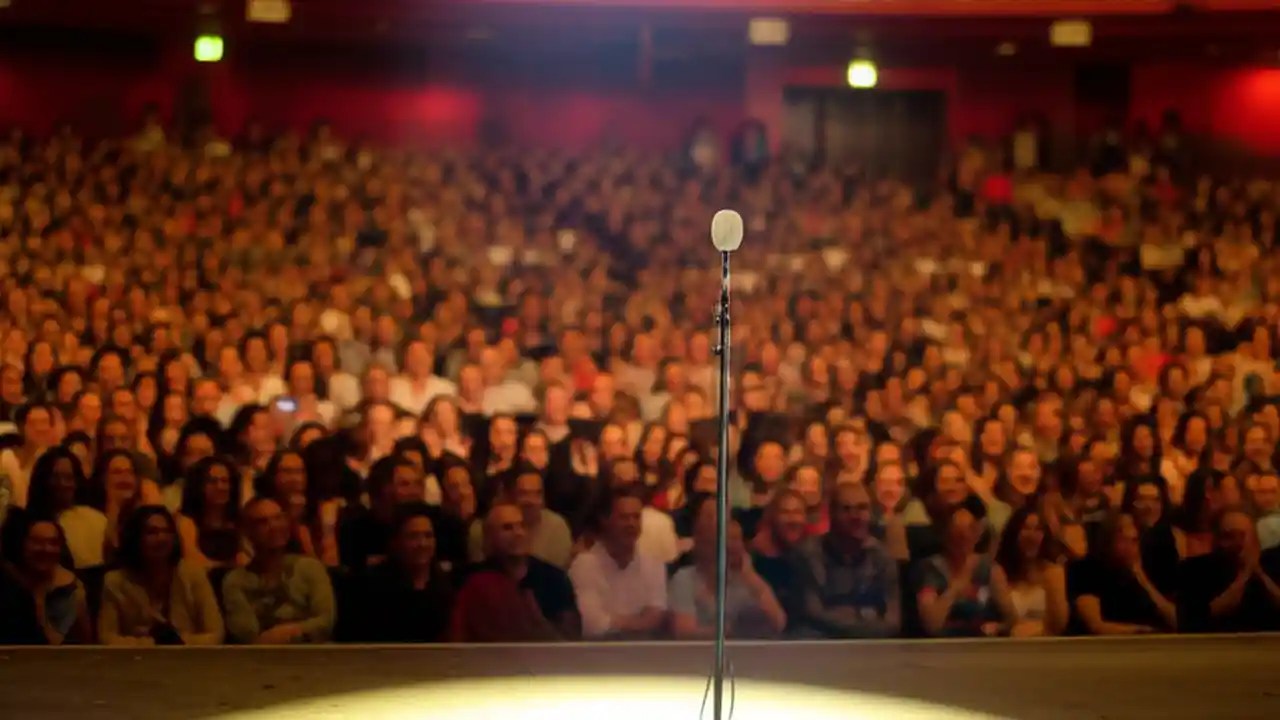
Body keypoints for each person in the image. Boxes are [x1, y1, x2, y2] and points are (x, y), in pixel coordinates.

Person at [452, 503, 578, 642]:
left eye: (522, 526)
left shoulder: (554, 578)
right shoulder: (472, 581)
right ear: (489, 538)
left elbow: (570, 641)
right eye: (507, 528)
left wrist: (538, 622)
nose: (518, 533)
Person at [98, 506, 224, 645]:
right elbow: (107, 638)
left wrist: (178, 641)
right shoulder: (115, 582)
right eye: (152, 532)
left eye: (167, 532)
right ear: (135, 538)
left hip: (188, 662)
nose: (162, 538)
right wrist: (151, 644)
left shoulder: (193, 575)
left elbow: (216, 634)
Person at [222, 497, 336, 644]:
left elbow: (325, 621)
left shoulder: (309, 567)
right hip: (261, 659)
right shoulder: (235, 581)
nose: (274, 526)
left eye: (278, 518)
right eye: (263, 522)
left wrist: (286, 632)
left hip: (313, 657)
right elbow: (247, 634)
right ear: (248, 531)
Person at [793, 483, 900, 638]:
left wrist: (847, 614)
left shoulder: (881, 557)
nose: (855, 516)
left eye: (862, 508)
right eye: (846, 509)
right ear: (831, 514)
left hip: (870, 650)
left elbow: (892, 623)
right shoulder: (808, 554)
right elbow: (813, 615)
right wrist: (868, 615)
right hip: (820, 650)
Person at [340, 502, 453, 643]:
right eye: (413, 537)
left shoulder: (445, 585)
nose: (422, 543)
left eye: (428, 536)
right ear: (396, 542)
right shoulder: (372, 587)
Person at [669, 504, 785, 639]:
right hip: (699, 656)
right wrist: (732, 632)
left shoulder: (748, 580)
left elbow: (778, 623)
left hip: (747, 654)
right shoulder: (684, 579)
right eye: (730, 539)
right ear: (707, 544)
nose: (736, 546)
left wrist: (751, 578)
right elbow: (684, 631)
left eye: (738, 539)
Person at [568, 489, 668, 639]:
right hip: (598, 656)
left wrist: (612, 621)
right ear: (605, 520)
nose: (631, 524)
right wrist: (640, 621)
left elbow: (656, 619)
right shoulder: (584, 565)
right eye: (624, 518)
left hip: (644, 656)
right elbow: (592, 625)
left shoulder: (654, 565)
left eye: (636, 517)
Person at [916, 505, 1017, 637]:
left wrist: (999, 627)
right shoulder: (930, 569)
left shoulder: (989, 569)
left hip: (981, 646)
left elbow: (1012, 618)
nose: (963, 539)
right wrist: (954, 590)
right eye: (957, 534)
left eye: (969, 531)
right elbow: (932, 625)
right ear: (946, 535)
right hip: (943, 648)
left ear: (977, 536)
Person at [1069, 512, 1177, 635]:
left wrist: (1143, 581)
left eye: (1134, 540)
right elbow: (1096, 625)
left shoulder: (1145, 571)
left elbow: (1176, 621)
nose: (1130, 547)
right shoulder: (1086, 570)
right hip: (1108, 648)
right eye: (1122, 539)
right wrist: (1142, 633)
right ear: (1107, 541)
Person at [1178, 509, 1280, 633]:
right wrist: (1245, 574)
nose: (1237, 543)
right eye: (1229, 536)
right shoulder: (1196, 569)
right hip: (1216, 646)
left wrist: (1259, 573)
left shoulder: (1273, 564)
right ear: (1217, 540)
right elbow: (1195, 619)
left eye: (1242, 535)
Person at [0, 509, 92, 644]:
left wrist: (39, 601)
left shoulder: (69, 590)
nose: (46, 549)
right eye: (37, 542)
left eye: (53, 543)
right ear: (22, 545)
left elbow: (52, 644)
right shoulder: (8, 580)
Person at [468, 469, 573, 568]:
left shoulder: (557, 528)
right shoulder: (481, 529)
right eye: (523, 493)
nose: (532, 501)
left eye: (538, 493)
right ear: (507, 496)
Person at [25, 446, 107, 571]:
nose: (62, 483)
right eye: (55, 477)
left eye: (68, 478)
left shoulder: (96, 519)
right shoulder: (26, 525)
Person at [994, 506, 1069, 636]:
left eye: (1038, 530)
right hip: (1013, 646)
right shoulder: (1001, 573)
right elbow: (1008, 621)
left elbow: (1059, 624)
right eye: (1026, 528)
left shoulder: (1053, 572)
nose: (1032, 535)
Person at [177, 456, 243, 569]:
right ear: (198, 485)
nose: (220, 487)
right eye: (212, 481)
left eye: (225, 481)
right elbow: (194, 562)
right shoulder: (184, 521)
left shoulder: (240, 521)